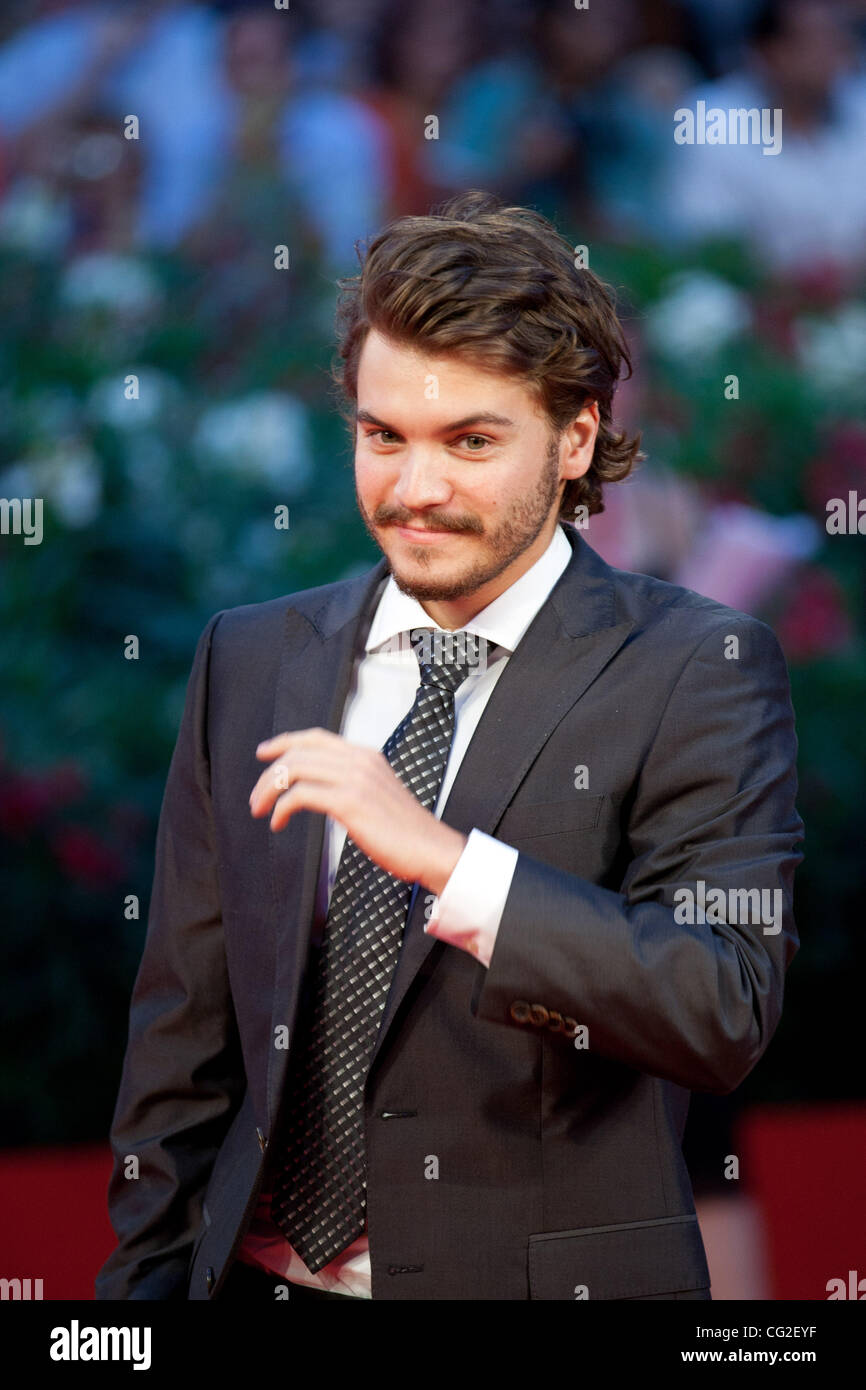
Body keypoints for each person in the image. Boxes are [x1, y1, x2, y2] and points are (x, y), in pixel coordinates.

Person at [95, 190, 803, 1302]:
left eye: (469, 441)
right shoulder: (251, 656)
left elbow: (719, 1007)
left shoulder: (693, 666)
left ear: (574, 438)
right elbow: (181, 1040)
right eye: (384, 437)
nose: (414, 489)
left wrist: (443, 858)